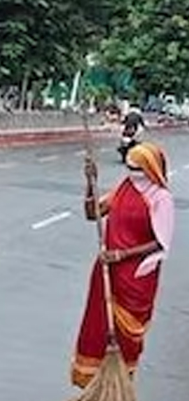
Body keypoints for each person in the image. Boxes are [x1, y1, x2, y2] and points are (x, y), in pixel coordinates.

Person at [72, 141, 174, 387]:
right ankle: (95, 384)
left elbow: (160, 242)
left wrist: (122, 254)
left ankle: (121, 382)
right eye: (128, 167)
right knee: (97, 329)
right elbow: (92, 214)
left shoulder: (161, 198)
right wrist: (90, 183)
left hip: (135, 276)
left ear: (150, 170)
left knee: (126, 337)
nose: (131, 173)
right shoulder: (122, 189)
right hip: (108, 271)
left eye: (136, 169)